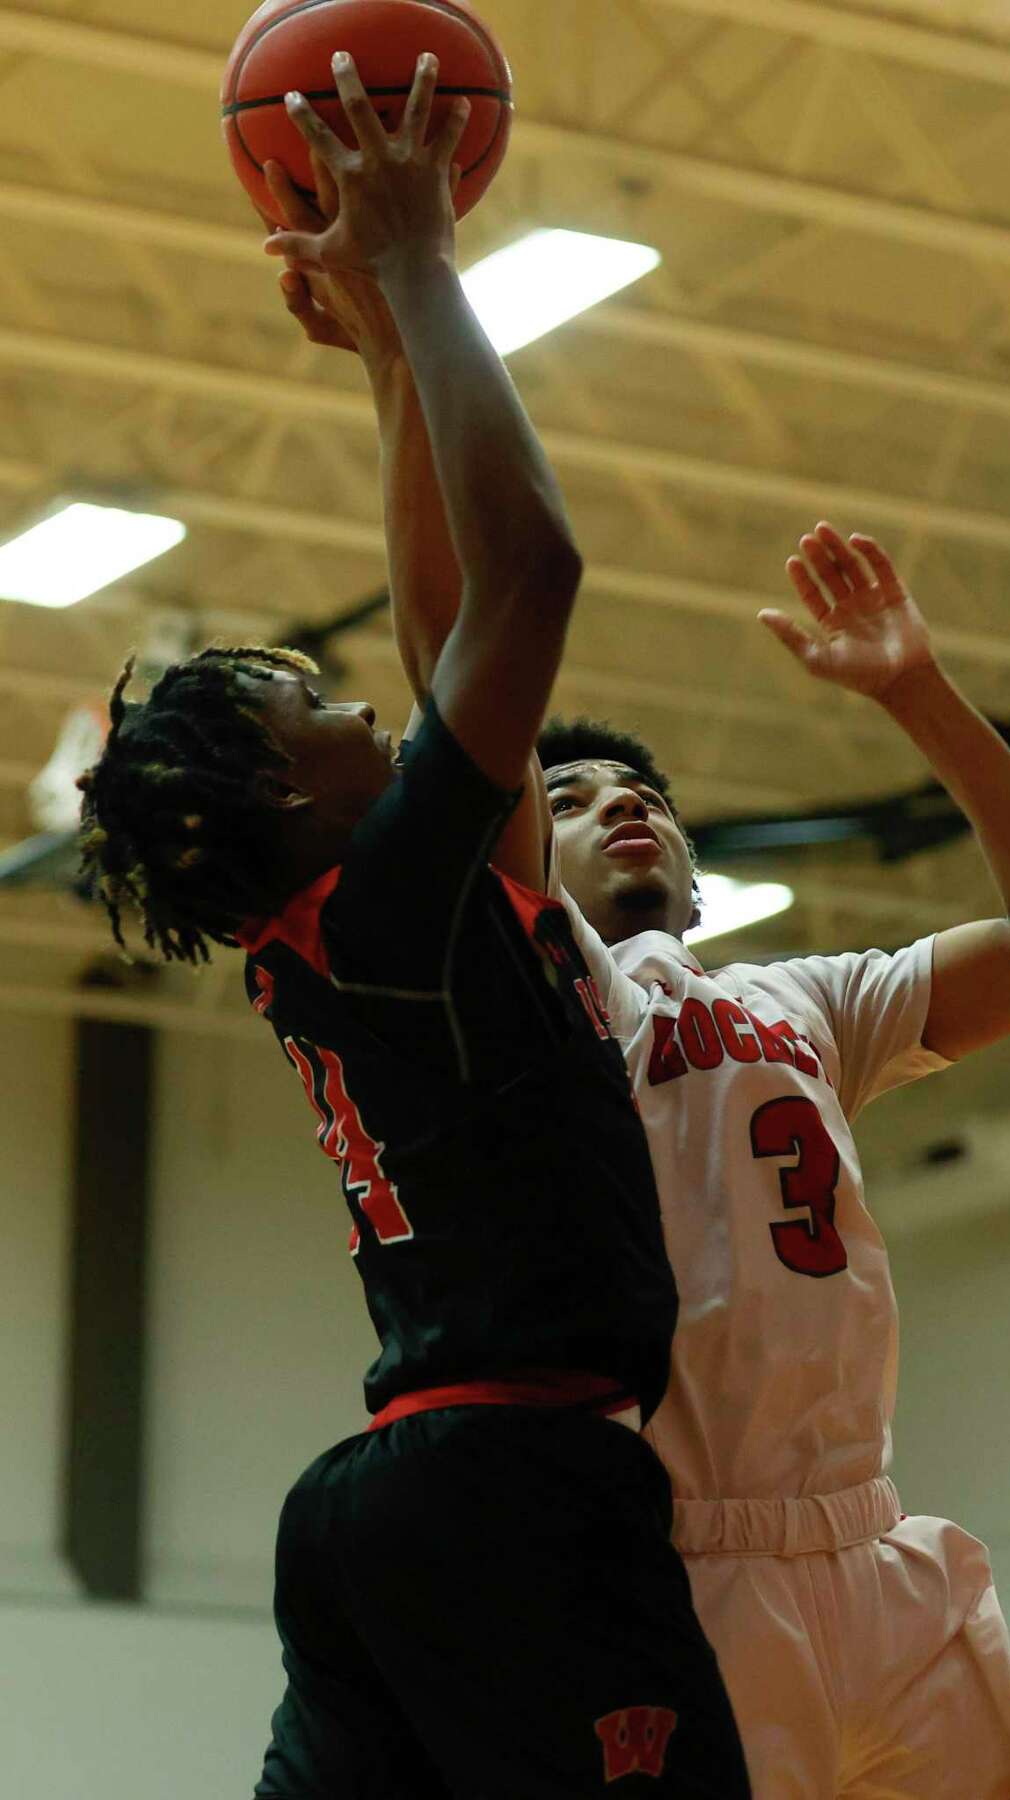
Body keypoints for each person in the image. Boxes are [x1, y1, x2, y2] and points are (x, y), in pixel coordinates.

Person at [279, 226, 1010, 1792]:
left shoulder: (805, 998)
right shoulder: (545, 987)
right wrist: (398, 361)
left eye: (650, 797)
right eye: (578, 792)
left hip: (879, 1543)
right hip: (673, 1557)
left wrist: (916, 696)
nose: (624, 811)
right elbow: (461, 640)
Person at [78, 53, 751, 1800]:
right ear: (287, 799)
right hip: (521, 1498)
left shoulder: (360, 920)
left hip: (394, 1501)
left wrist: (389, 354)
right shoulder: (385, 902)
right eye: (313, 700)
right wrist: (429, 266)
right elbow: (526, 581)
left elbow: (453, 627)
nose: (366, 701)